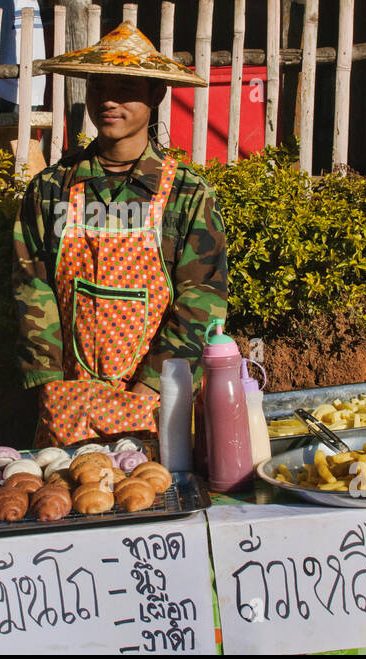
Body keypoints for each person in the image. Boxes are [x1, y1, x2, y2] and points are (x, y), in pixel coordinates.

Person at [14, 22, 228, 446]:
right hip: (67, 405)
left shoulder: (187, 194)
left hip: (156, 407)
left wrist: (150, 388)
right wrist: (51, 386)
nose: (108, 100)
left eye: (126, 88)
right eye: (98, 87)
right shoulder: (51, 189)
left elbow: (202, 301)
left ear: (156, 96)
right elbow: (31, 286)